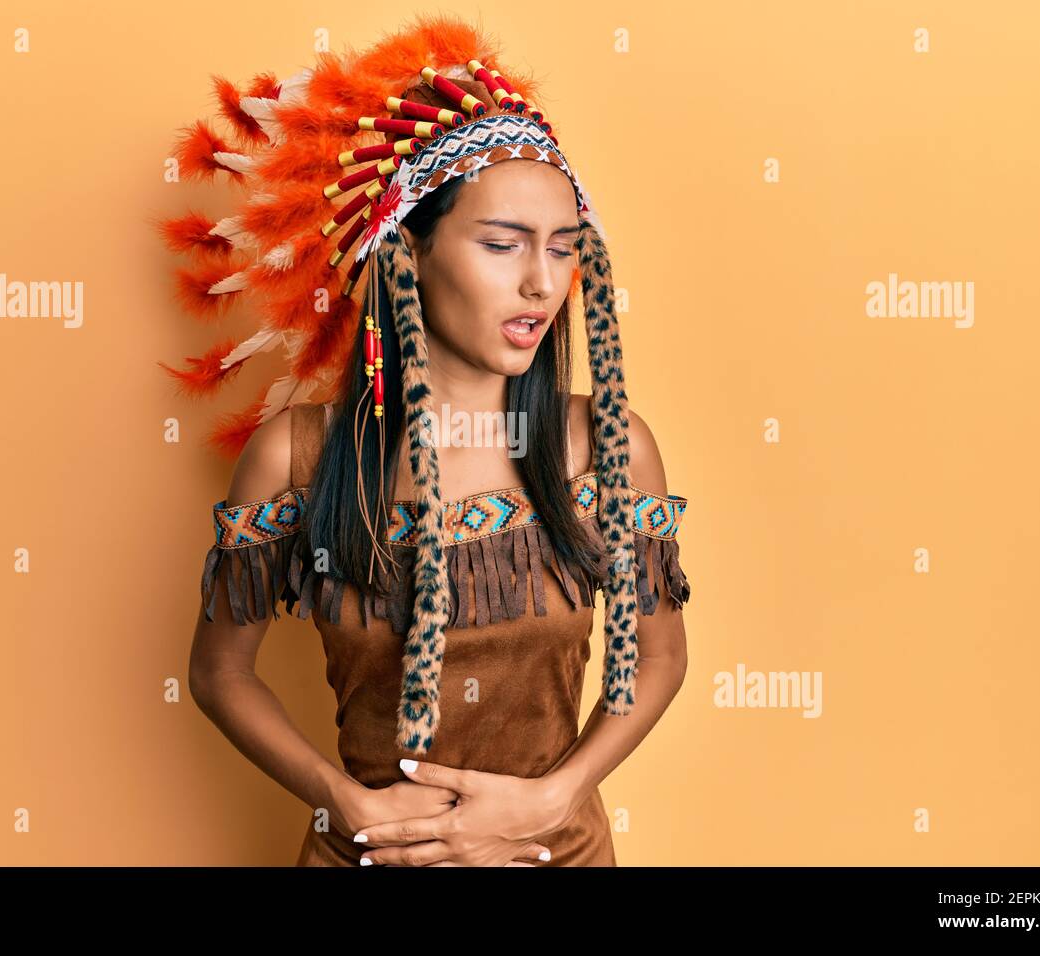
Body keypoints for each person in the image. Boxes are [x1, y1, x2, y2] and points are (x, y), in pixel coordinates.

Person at [162, 15, 692, 866]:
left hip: (557, 855)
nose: (542, 282)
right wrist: (340, 801)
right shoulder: (292, 458)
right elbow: (220, 674)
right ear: (406, 253)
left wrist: (550, 802)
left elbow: (660, 656)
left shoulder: (610, 446)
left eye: (562, 249)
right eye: (502, 244)